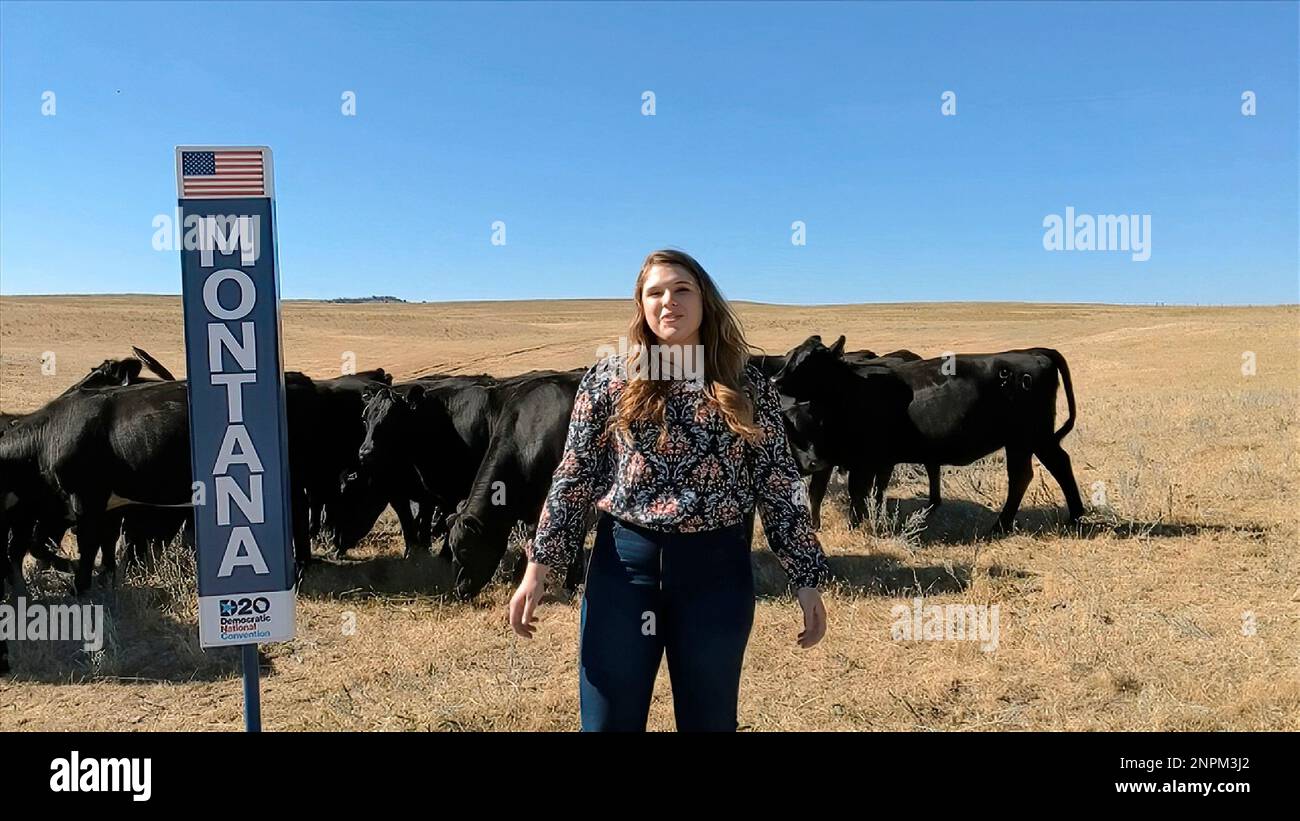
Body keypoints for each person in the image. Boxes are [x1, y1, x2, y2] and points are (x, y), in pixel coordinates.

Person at [507, 248, 830, 732]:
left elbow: (779, 484)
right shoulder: (611, 380)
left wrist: (805, 576)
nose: (668, 302)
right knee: (607, 724)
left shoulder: (746, 386)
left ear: (705, 302)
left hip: (716, 574)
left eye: (682, 290)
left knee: (709, 722)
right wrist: (539, 565)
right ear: (641, 305)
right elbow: (575, 476)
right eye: (655, 292)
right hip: (625, 569)